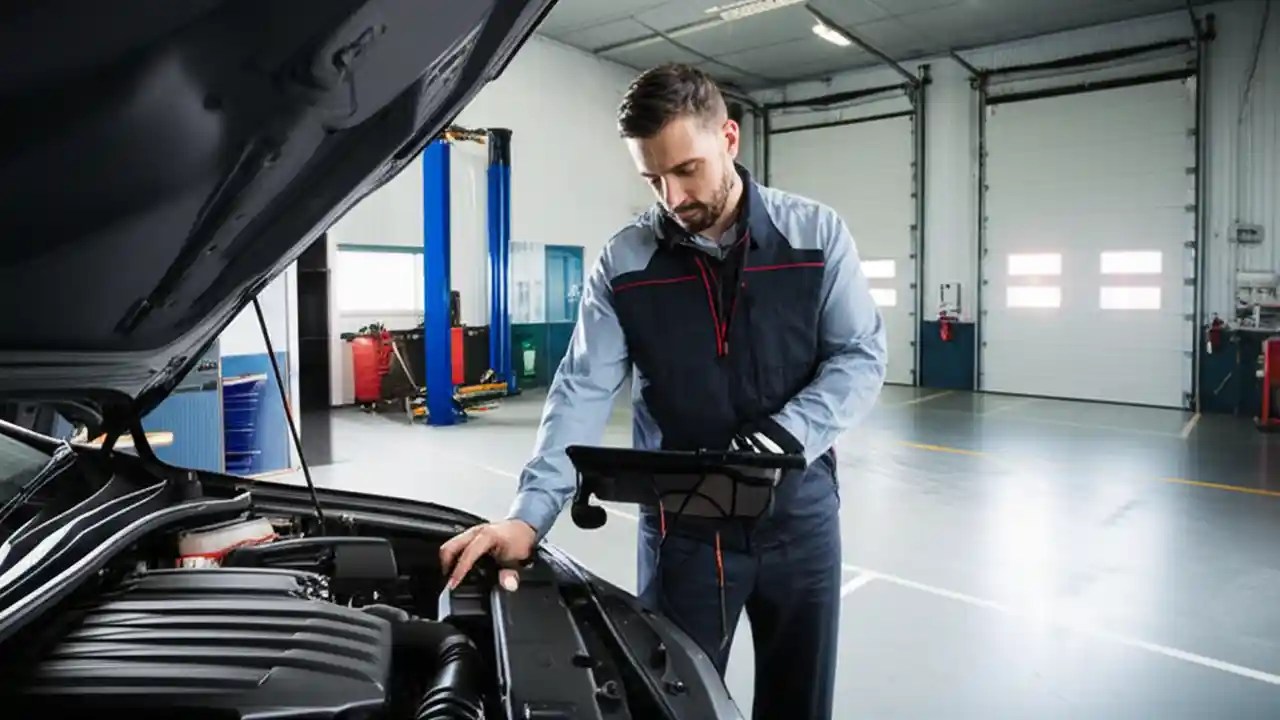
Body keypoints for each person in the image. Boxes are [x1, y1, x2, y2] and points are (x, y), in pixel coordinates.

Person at [439, 63, 887, 719]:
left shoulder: (816, 237)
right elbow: (582, 390)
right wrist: (530, 514)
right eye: (653, 179)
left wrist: (786, 436)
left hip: (800, 520)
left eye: (687, 170)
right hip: (685, 530)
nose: (673, 197)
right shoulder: (625, 263)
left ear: (729, 138)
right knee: (672, 704)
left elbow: (860, 355)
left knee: (800, 702)